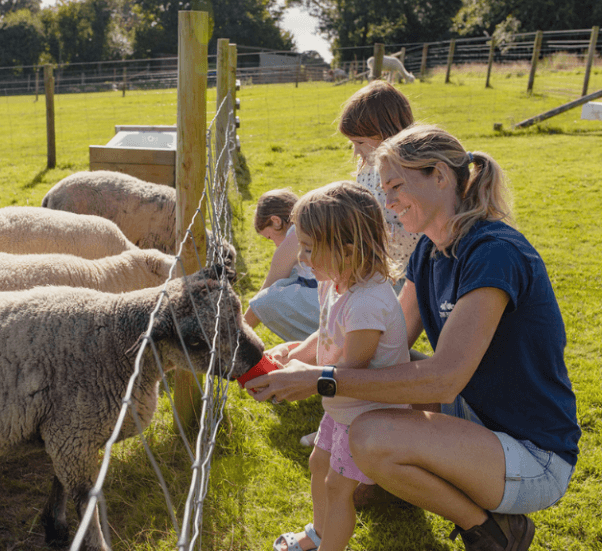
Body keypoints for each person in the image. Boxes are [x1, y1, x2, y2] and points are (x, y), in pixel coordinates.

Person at [248, 124, 581, 551]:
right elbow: (392, 342)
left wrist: (320, 379)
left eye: (395, 187)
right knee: (386, 398)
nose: (387, 202)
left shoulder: (494, 253)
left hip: (533, 456)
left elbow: (443, 380)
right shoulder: (429, 250)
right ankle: (392, 484)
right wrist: (298, 354)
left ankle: (492, 531)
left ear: (439, 176)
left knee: (369, 437)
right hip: (477, 421)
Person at [268, 181, 410, 551]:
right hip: (343, 407)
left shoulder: (367, 303)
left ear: (347, 250)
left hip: (366, 413)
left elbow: (354, 367)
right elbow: (327, 334)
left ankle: (331, 546)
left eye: (311, 248)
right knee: (319, 464)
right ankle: (318, 533)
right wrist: (294, 353)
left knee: (338, 486)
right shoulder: (334, 282)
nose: (302, 258)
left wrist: (306, 380)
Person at [337, 80, 421, 291]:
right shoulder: (366, 166)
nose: (356, 152)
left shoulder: (410, 175)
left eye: (360, 143)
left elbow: (421, 236)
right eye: (352, 143)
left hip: (406, 272)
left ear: (387, 134)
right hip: (375, 264)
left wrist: (373, 234)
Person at [244, 189, 320, 342]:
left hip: (322, 305)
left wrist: (239, 329)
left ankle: (234, 342)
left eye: (270, 237)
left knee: (268, 299)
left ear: (276, 221)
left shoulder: (294, 236)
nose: (275, 244)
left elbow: (263, 293)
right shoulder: (313, 221)